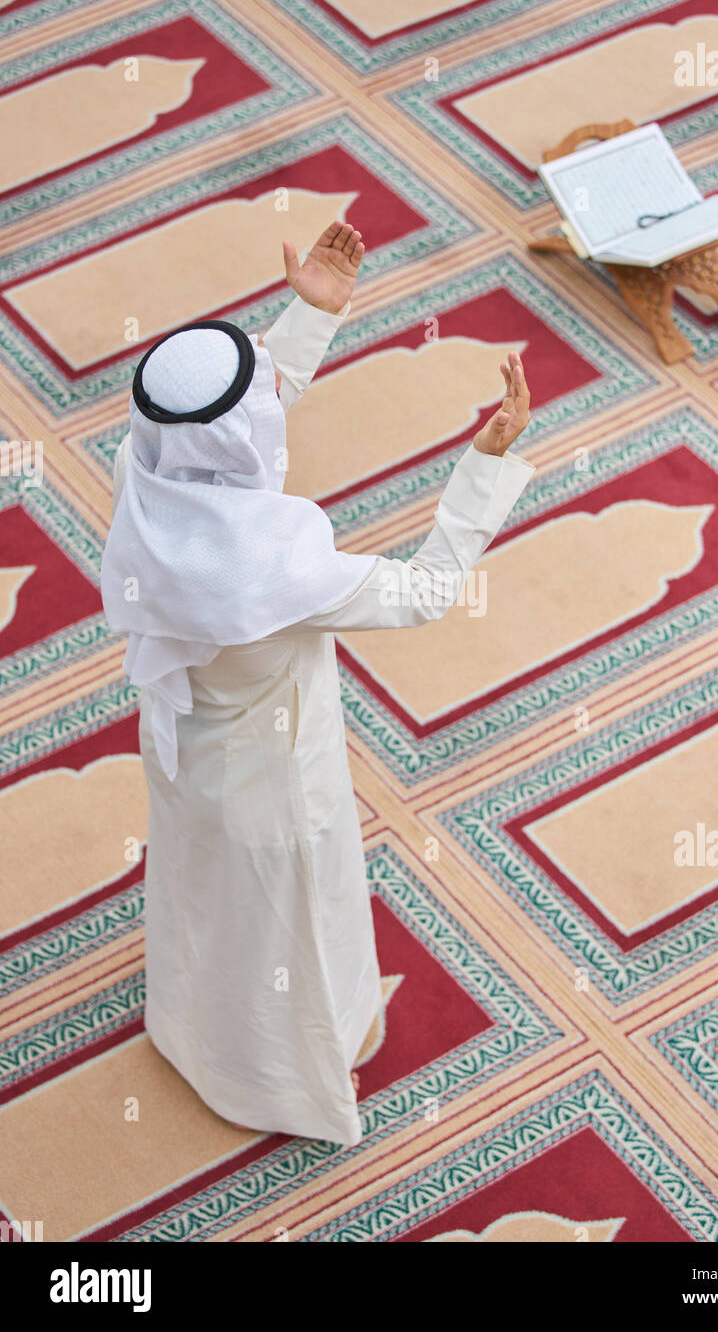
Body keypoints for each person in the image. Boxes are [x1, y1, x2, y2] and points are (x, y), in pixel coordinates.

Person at [101, 221, 534, 1147]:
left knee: (206, 905)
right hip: (280, 792)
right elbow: (421, 594)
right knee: (288, 932)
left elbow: (237, 419)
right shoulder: (277, 568)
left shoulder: (146, 477)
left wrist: (311, 314)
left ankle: (195, 1037)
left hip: (184, 759)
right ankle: (276, 1084)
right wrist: (484, 467)